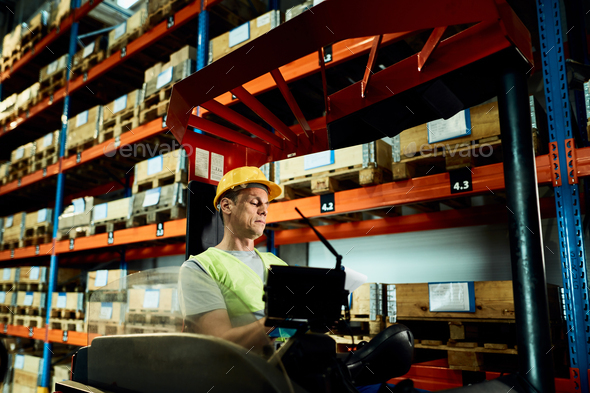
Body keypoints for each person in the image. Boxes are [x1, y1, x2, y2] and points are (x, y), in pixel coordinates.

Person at [178, 166, 285, 349]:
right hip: (241, 375)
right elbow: (219, 342)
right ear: (227, 206)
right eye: (254, 202)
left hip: (288, 369)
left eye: (266, 204)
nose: (264, 211)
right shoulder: (200, 268)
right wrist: (283, 319)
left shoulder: (277, 263)